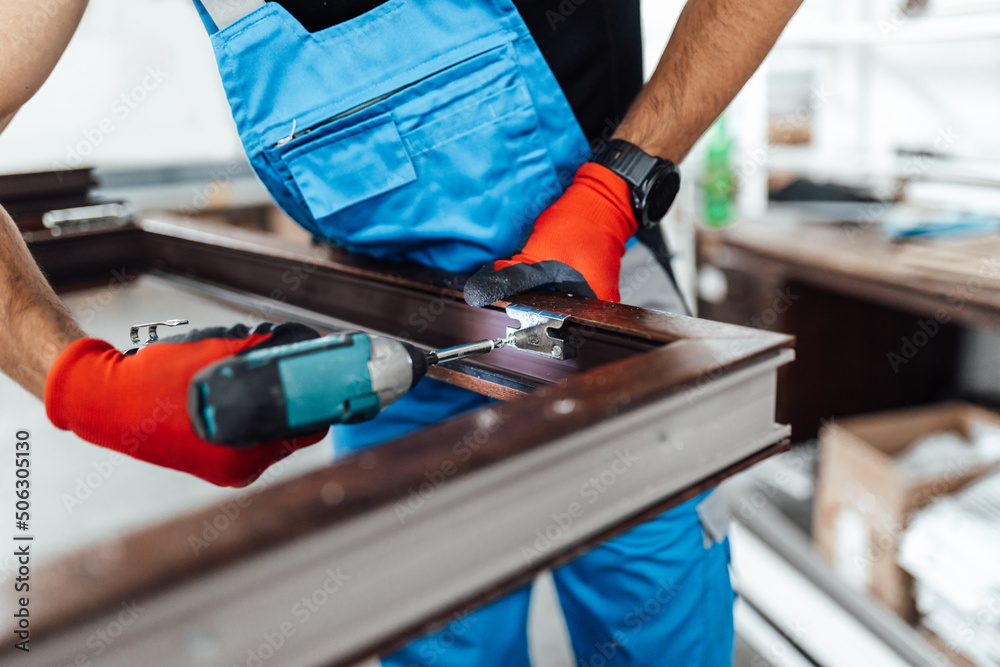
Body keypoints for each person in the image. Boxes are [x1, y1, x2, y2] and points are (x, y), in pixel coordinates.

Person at [0, 0, 803, 664]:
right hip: (384, 326)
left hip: (604, 310)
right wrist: (82, 382)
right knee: (434, 640)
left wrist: (618, 184)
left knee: (657, 633)